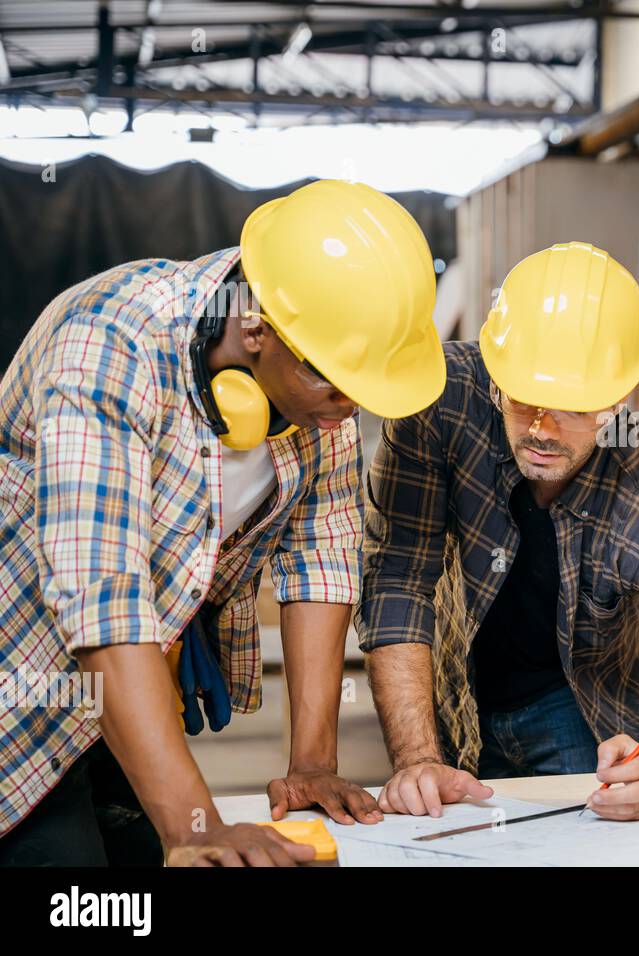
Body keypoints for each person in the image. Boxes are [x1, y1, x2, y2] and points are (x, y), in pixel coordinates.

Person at [0, 180, 445, 866]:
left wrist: (313, 765)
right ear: (256, 329)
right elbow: (103, 597)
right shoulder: (108, 346)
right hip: (21, 688)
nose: (348, 408)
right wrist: (196, 826)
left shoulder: (314, 379)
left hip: (132, 691)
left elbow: (319, 558)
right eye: (335, 383)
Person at [357, 241, 639, 822]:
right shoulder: (436, 404)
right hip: (454, 693)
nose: (541, 429)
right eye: (523, 400)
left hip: (576, 710)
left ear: (616, 400)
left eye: (570, 406)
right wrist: (417, 758)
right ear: (495, 376)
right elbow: (397, 581)